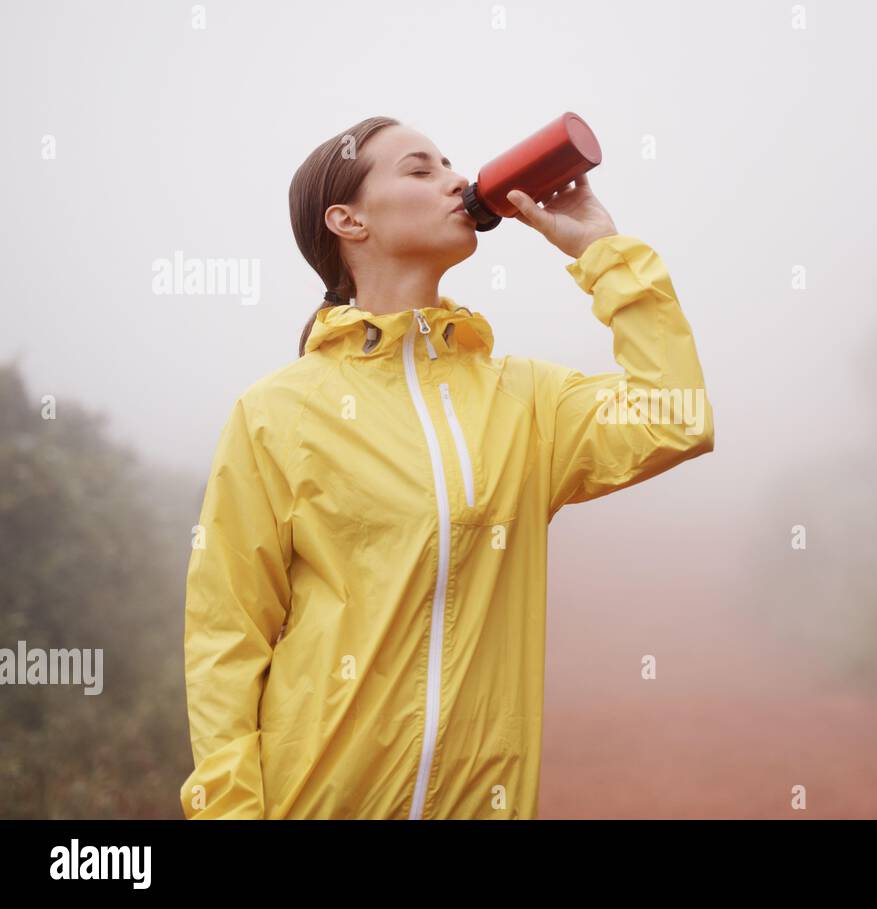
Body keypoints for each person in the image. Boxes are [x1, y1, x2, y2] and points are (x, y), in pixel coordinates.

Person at [179, 116, 714, 819]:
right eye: (420, 169)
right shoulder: (276, 413)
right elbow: (227, 634)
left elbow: (674, 417)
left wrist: (603, 251)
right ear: (347, 220)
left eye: (450, 164)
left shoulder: (525, 401)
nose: (457, 181)